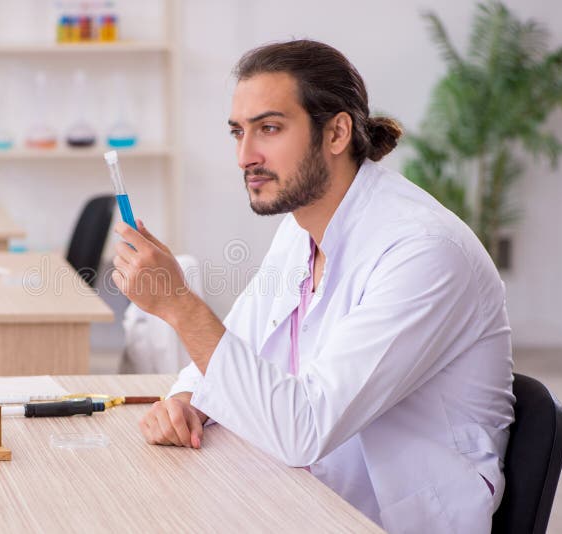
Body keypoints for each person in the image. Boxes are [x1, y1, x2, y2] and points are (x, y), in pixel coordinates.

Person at [110, 39, 514, 533]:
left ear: (337, 132)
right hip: (300, 497)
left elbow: (304, 428)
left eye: (269, 129)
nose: (244, 155)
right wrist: (188, 400)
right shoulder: (301, 228)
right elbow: (239, 342)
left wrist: (177, 304)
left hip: (388, 519)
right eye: (238, 132)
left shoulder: (425, 252)